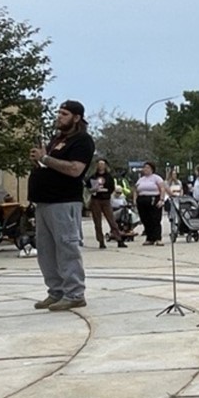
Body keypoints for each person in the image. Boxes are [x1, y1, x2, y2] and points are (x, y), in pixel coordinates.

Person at [28, 100, 96, 310]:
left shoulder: (82, 141)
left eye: (64, 114)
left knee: (66, 247)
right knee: (46, 251)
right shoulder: (57, 139)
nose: (59, 117)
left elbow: (75, 169)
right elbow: (49, 163)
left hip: (64, 201)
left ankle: (75, 293)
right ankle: (56, 291)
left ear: (76, 118)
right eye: (59, 113)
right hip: (44, 201)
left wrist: (46, 159)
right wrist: (39, 161)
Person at [87, 159, 126, 249]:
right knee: (97, 222)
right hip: (96, 200)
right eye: (99, 164)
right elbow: (88, 186)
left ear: (105, 166)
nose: (101, 166)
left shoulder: (108, 177)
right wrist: (93, 190)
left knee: (111, 220)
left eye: (102, 164)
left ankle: (119, 239)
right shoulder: (93, 177)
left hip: (106, 200)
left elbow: (112, 188)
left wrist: (107, 193)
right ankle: (101, 241)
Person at [132, 161, 169, 246]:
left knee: (155, 219)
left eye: (147, 167)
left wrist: (161, 199)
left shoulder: (157, 178)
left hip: (153, 199)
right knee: (145, 219)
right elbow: (135, 190)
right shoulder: (141, 179)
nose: (145, 169)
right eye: (144, 167)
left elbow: (162, 188)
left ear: (152, 169)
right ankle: (149, 238)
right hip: (142, 199)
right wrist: (135, 200)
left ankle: (157, 238)